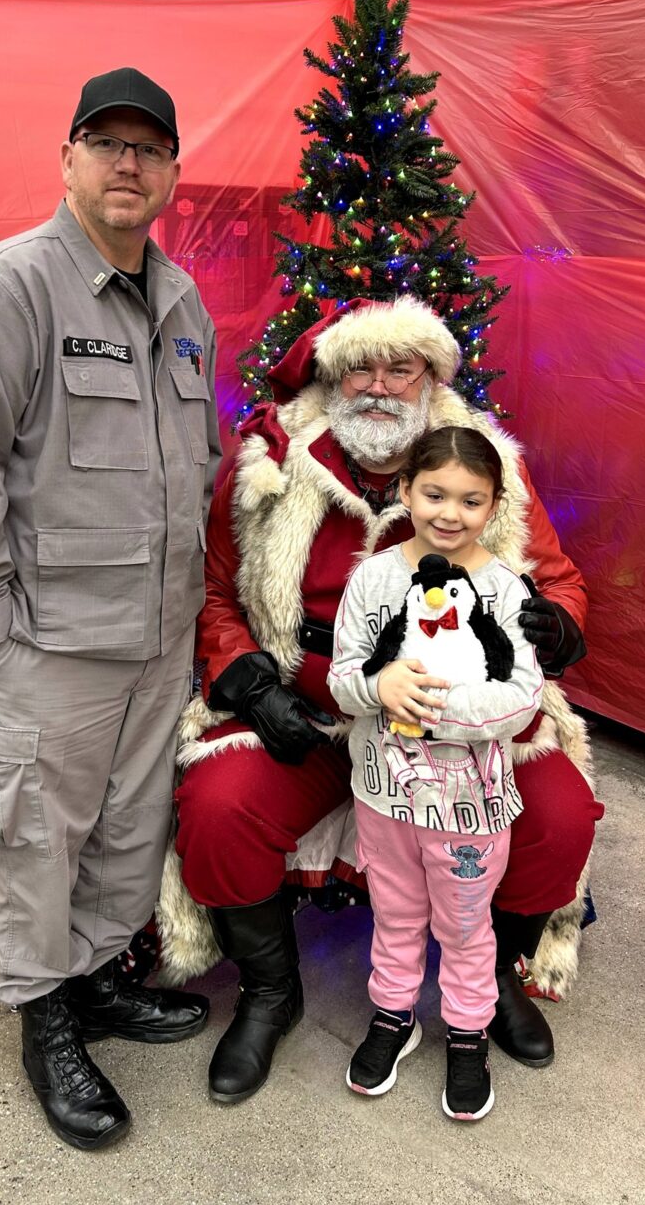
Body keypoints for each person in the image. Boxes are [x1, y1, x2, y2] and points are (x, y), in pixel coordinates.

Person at [0, 66, 222, 1150]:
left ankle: (91, 982)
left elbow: (197, 464)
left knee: (128, 833)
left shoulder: (181, 304)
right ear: (68, 159)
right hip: (49, 644)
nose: (129, 163)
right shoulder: (7, 288)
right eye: (107, 142)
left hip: (155, 638)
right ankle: (43, 1018)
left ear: (172, 172)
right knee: (41, 835)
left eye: (149, 147)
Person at [169, 296, 603, 1106]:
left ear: (430, 375)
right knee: (220, 809)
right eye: (358, 366)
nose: (378, 385)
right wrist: (250, 682)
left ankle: (494, 977)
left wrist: (560, 624)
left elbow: (562, 579)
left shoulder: (481, 468)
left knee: (560, 817)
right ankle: (270, 993)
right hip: (309, 709)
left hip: (458, 726)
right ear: (331, 376)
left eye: (399, 367)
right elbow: (215, 589)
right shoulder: (269, 461)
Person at [329, 426, 545, 1121]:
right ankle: (394, 1017)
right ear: (404, 492)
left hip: (468, 809)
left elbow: (522, 696)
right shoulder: (374, 578)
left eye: (470, 500)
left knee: (462, 924)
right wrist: (378, 687)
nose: (449, 513)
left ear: (494, 506)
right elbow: (342, 679)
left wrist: (434, 710)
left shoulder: (508, 591)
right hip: (385, 798)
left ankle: (467, 1029)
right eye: (434, 494)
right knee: (393, 915)